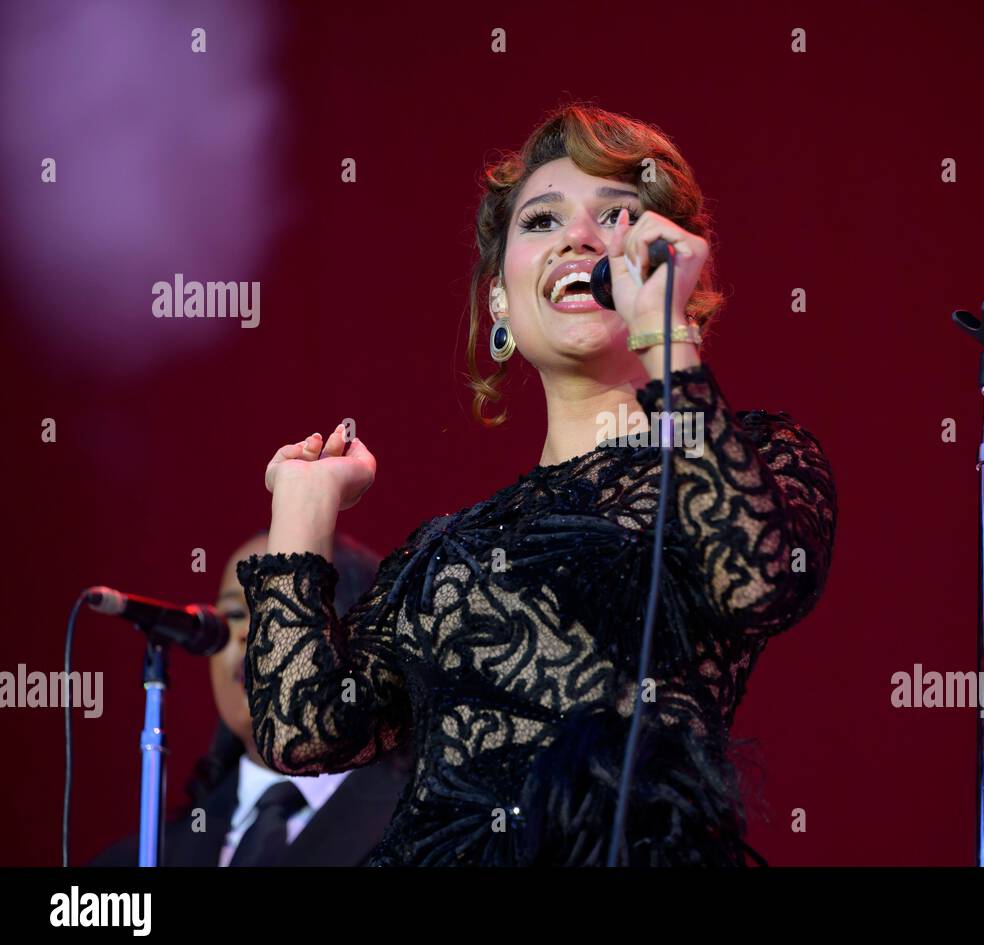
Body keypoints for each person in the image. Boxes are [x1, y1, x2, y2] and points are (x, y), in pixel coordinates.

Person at [237, 102, 838, 866]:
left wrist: (664, 332)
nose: (578, 238)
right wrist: (303, 506)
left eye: (616, 216)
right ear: (499, 298)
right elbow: (303, 732)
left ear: (676, 267)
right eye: (542, 220)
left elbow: (759, 583)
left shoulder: (753, 456)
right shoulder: (446, 552)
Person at [92, 532, 409, 866]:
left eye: (276, 610)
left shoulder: (419, 826)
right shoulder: (137, 859)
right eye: (233, 614)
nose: (247, 632)